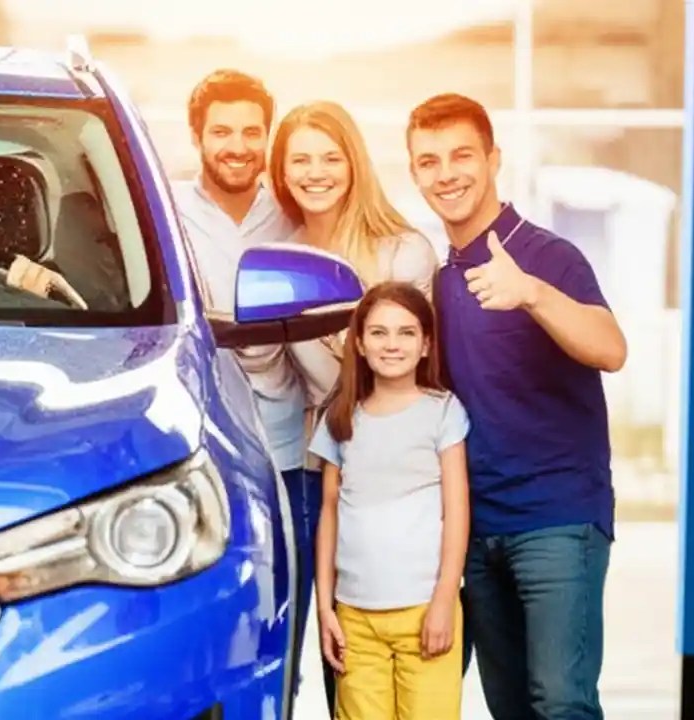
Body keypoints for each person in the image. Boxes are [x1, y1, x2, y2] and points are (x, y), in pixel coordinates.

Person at [405, 92, 628, 719]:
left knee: (560, 703)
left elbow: (611, 349)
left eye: (461, 155)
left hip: (558, 518)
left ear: (494, 158)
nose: (446, 173)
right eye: (428, 161)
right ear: (415, 173)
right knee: (511, 709)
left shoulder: (548, 257)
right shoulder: (439, 278)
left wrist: (530, 294)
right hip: (479, 530)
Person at [266, 99, 476, 712]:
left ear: (355, 164)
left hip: (407, 476)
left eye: (331, 157)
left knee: (422, 675)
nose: (316, 171)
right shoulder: (281, 263)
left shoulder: (402, 251)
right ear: (281, 171)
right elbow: (294, 382)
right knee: (347, 672)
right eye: (300, 159)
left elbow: (403, 368)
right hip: (329, 467)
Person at [166, 69, 326, 708]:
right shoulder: (167, 211)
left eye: (252, 131)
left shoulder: (296, 213)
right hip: (198, 456)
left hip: (288, 459)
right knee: (201, 641)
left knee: (284, 638)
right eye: (222, 131)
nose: (238, 145)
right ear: (198, 136)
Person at [308, 280, 471, 720]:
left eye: (406, 332)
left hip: (424, 610)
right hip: (356, 619)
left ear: (425, 345)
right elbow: (329, 514)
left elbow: (456, 512)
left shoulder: (442, 411)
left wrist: (443, 600)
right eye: (379, 332)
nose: (392, 344)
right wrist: (326, 608)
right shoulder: (341, 416)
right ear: (359, 343)